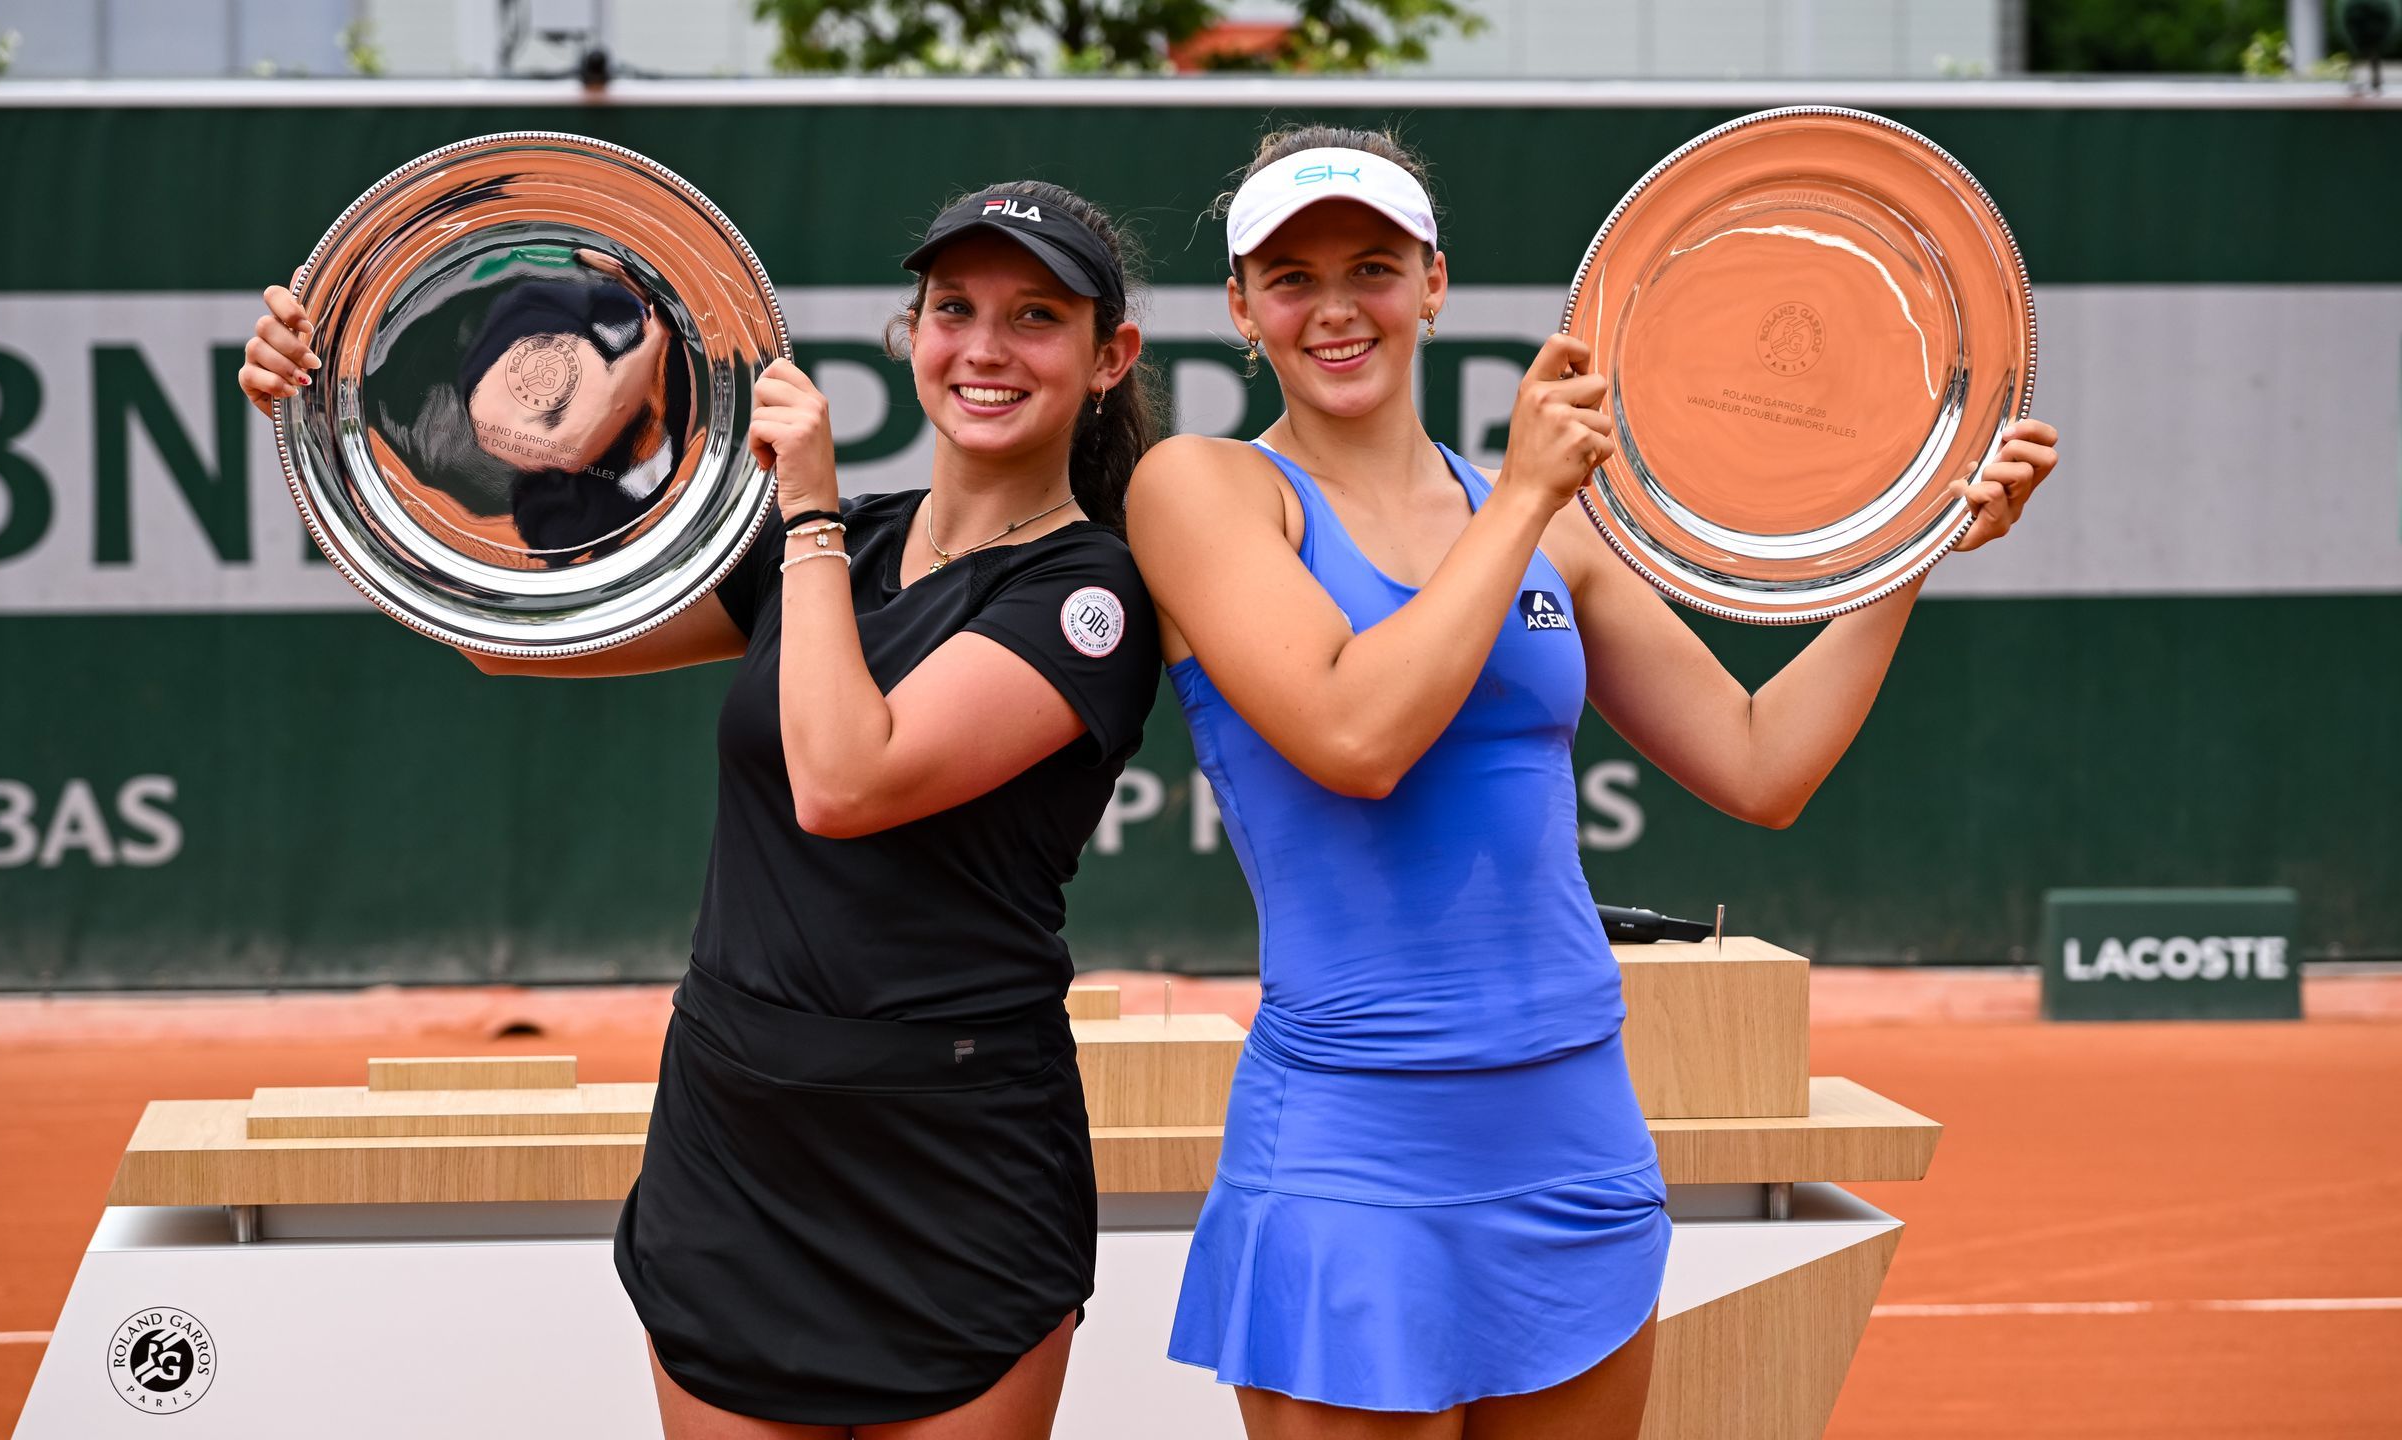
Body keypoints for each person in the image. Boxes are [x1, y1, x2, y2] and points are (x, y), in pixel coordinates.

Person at [1128, 126, 2061, 1439]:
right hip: (1355, 1147)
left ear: (1435, 283)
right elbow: (1355, 737)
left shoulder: (1561, 518)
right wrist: (1516, 501)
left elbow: (1760, 765)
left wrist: (1912, 538)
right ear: (1240, 307)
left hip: (1573, 1130)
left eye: (1373, 267)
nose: (1335, 308)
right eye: (1291, 277)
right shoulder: (1207, 488)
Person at [241, 178, 1163, 1439]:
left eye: (1037, 316)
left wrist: (814, 513)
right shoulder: (842, 542)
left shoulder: (1088, 594)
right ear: (912, 334)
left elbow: (846, 782)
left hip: (955, 1169)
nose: (984, 348)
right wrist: (323, 416)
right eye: (954, 308)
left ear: (1108, 357)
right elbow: (511, 639)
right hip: (737, 1143)